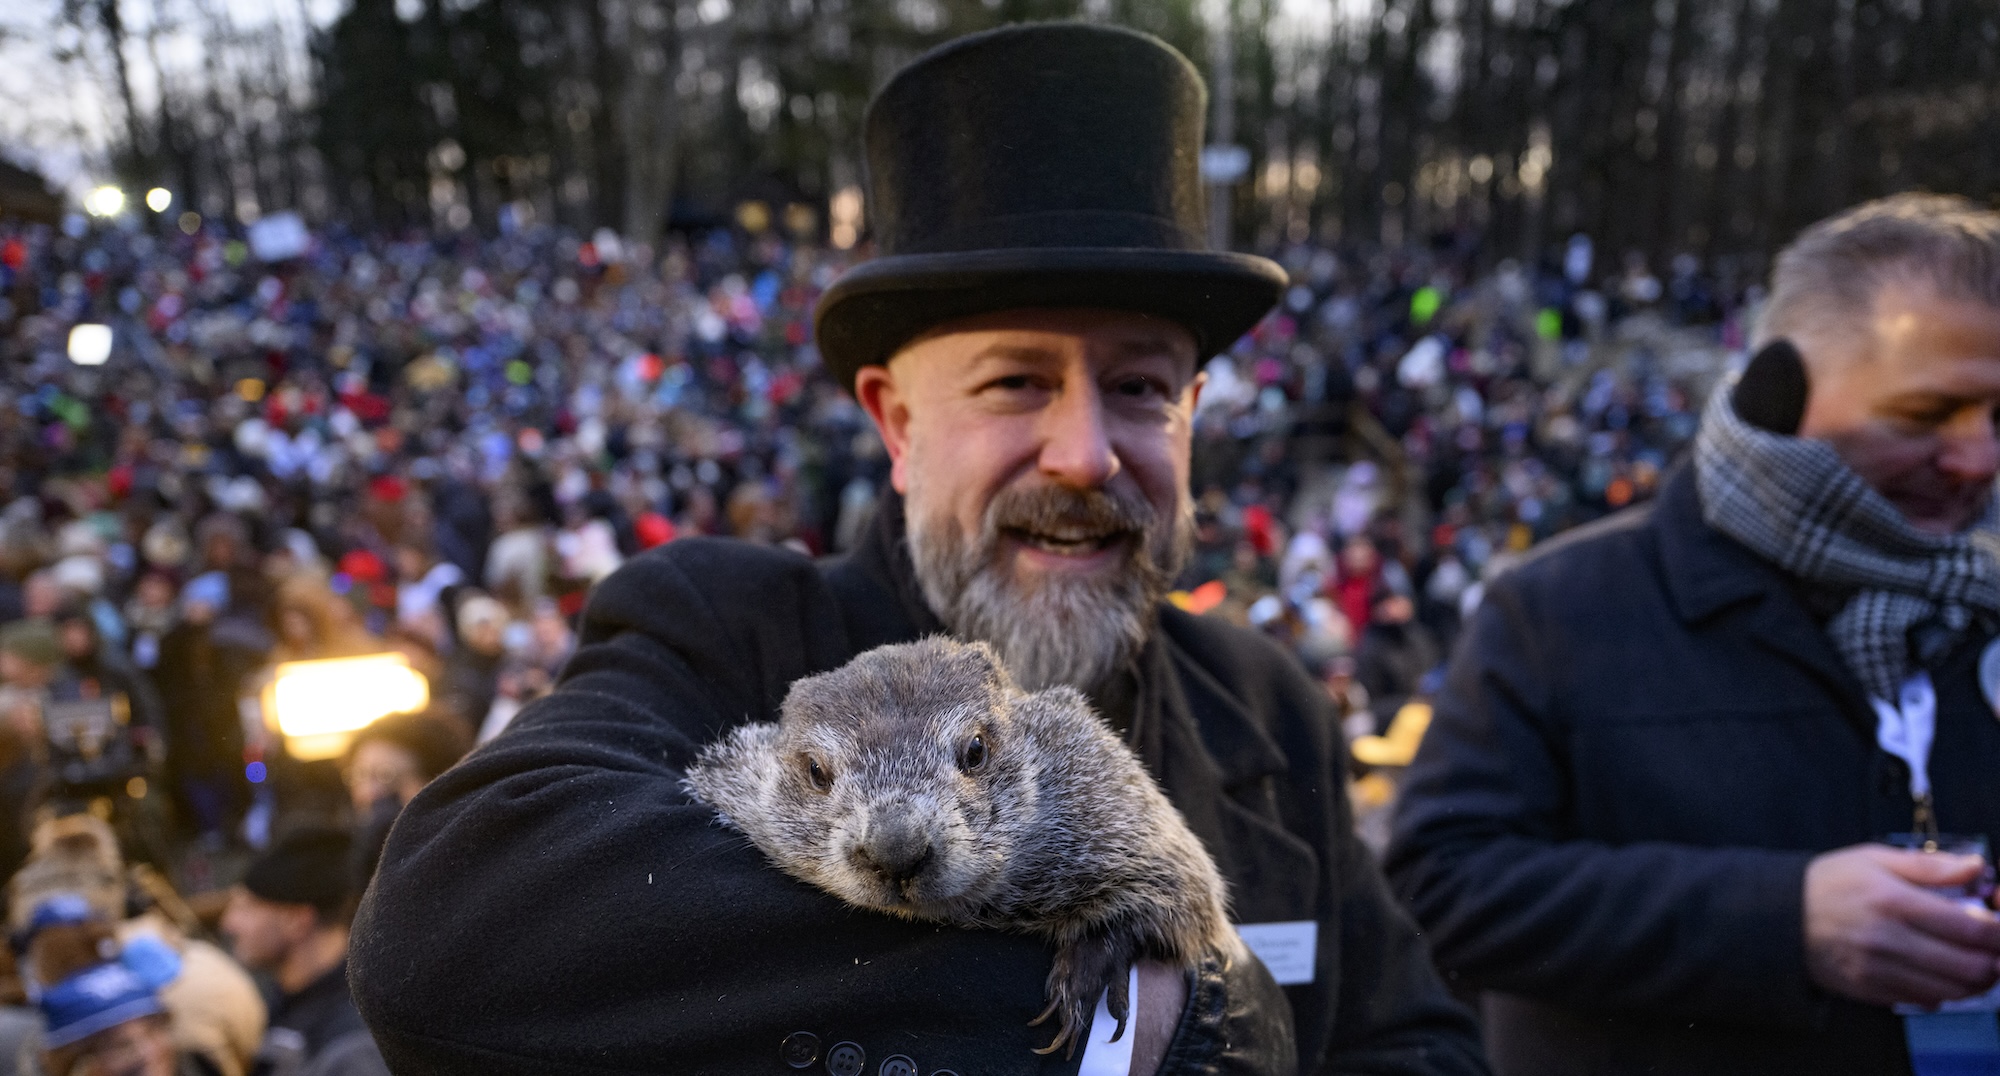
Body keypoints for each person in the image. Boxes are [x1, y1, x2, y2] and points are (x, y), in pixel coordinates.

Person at [351, 23, 1484, 1076]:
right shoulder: (718, 623)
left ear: (1191, 412)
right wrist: (1127, 1030)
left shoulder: (1264, 701)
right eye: (1015, 382)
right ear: (896, 422)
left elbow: (1416, 1039)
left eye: (1138, 387)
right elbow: (446, 927)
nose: (1084, 453)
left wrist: (1243, 1017)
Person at [1385, 192, 2000, 1074]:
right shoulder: (1560, 608)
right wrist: (1782, 921)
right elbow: (1440, 892)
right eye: (1924, 416)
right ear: (1777, 391)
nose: (1978, 461)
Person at [222, 829, 388, 1076]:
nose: (229, 923)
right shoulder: (289, 1000)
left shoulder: (354, 1043)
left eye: (247, 908)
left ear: (296, 920)